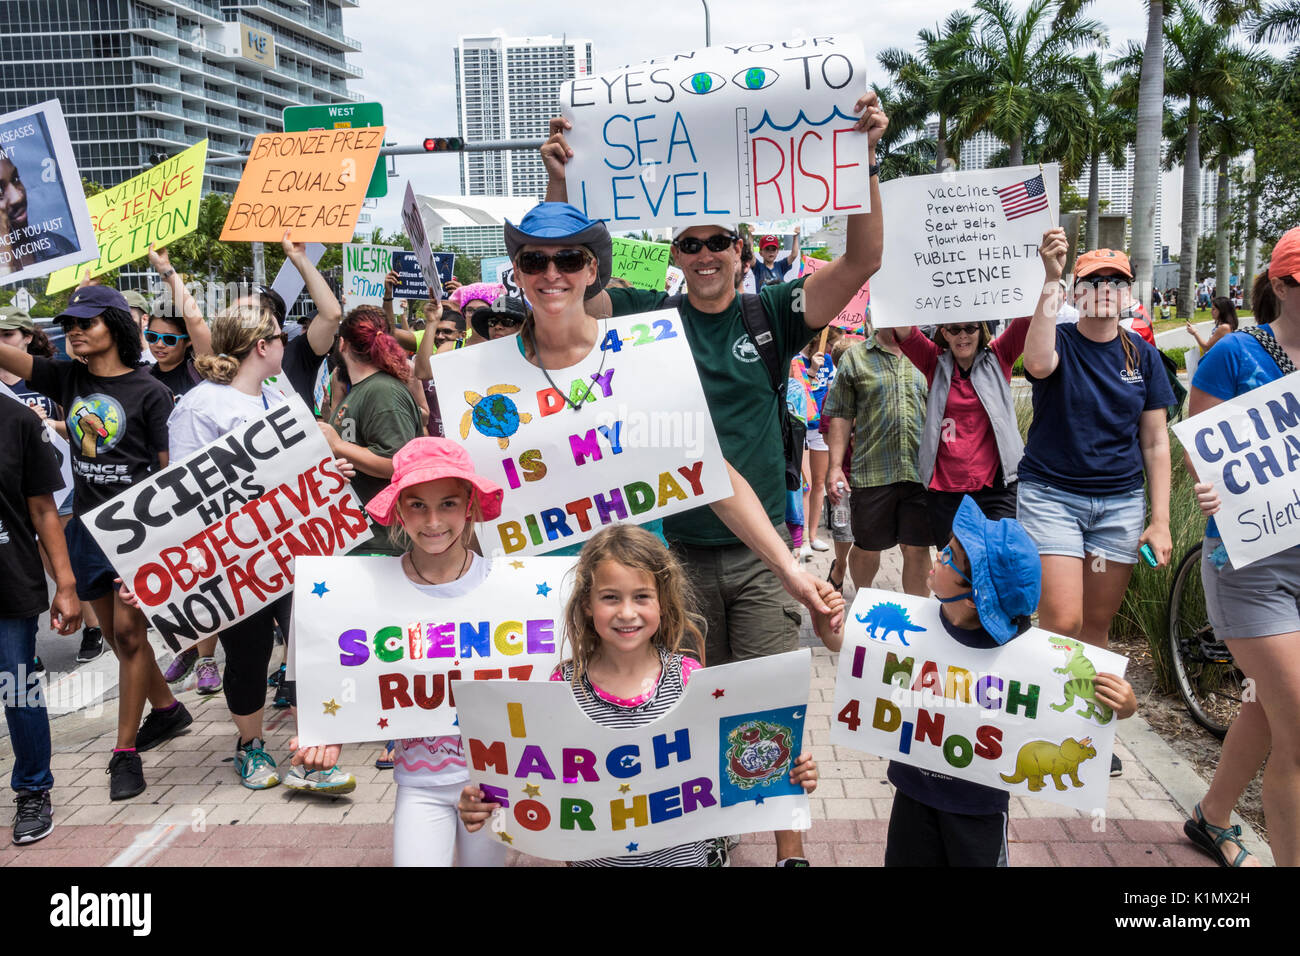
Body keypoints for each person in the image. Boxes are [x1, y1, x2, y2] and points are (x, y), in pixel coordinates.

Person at [540, 97, 882, 865]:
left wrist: (864, 158)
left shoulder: (775, 315)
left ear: (742, 248)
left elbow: (861, 263)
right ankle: (710, 837)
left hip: (762, 557)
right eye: (689, 243)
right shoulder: (645, 319)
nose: (703, 255)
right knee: (691, 709)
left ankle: (790, 850)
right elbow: (566, 289)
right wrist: (560, 183)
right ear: (676, 252)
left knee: (768, 703)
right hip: (673, 560)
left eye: (717, 242)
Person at [456, 523, 824, 866]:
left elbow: (735, 764)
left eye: (642, 596)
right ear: (587, 603)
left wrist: (789, 772)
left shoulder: (690, 680)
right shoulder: (561, 687)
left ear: (662, 602)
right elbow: (532, 775)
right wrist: (487, 803)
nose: (626, 612)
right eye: (611, 597)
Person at [817, 496, 1135, 865]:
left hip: (979, 811)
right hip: (912, 795)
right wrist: (827, 623)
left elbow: (1084, 706)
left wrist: (1124, 706)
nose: (940, 556)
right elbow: (843, 644)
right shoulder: (917, 621)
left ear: (974, 597)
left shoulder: (1028, 657)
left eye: (950, 556)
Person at [142, 302, 357, 793]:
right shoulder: (200, 407)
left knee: (311, 647)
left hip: (297, 551)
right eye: (280, 337)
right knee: (249, 652)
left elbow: (304, 465)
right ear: (263, 346)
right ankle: (251, 745)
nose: (287, 344)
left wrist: (329, 474)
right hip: (239, 561)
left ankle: (312, 749)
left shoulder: (280, 397)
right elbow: (184, 492)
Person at [0, 285, 189, 800]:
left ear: (115, 326)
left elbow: (168, 477)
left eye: (88, 322)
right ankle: (168, 710)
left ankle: (124, 754)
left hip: (137, 535)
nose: (76, 330)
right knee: (115, 638)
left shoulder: (152, 393)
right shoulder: (68, 376)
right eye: (71, 323)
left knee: (129, 637)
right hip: (85, 532)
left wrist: (159, 551)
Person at [303, 437, 509, 864]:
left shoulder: (510, 586)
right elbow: (352, 669)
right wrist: (330, 730)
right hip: (420, 781)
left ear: (470, 504)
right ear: (398, 509)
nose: (433, 521)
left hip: (497, 783)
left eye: (448, 503)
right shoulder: (367, 589)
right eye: (417, 505)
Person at [1020, 234, 1174, 777]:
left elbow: (1155, 443)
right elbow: (1035, 364)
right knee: (1062, 617)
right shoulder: (1059, 338)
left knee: (1097, 626)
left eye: (1116, 282)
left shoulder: (1146, 357)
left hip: (1119, 506)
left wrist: (1160, 521)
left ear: (1129, 295)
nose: (1105, 290)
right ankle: (1042, 720)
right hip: (1051, 497)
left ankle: (1086, 729)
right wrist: (1050, 277)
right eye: (1093, 283)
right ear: (1077, 294)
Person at [1183, 230, 1300, 867]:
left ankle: (1211, 816)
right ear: (1281, 286)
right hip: (1251, 560)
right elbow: (1203, 455)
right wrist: (1207, 490)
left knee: (1272, 702)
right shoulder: (1234, 355)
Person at [1, 386, 81, 843]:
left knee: (17, 685)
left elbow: (43, 509)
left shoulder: (18, 421)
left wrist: (66, 585)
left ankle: (33, 789)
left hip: (8, 581)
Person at [876, 315, 1029, 547]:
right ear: (944, 334)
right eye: (955, 329)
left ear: (981, 331)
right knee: (955, 570)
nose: (963, 335)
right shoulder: (933, 361)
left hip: (997, 488)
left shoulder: (1000, 357)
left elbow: (1026, 320)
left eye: (970, 328)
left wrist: (1046, 281)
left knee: (999, 561)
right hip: (947, 491)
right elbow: (904, 328)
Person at [823, 330, 932, 596]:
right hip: (872, 471)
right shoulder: (855, 358)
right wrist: (835, 466)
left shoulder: (929, 354)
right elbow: (840, 413)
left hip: (920, 472)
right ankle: (865, 604)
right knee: (866, 546)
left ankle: (917, 618)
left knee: (918, 547)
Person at [318, 306, 423, 556]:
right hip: (361, 535)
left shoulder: (382, 391)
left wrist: (338, 445)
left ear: (342, 344)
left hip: (383, 543)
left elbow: (397, 463)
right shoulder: (365, 389)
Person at [793, 331, 839, 556]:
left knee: (819, 482)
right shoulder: (795, 359)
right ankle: (799, 539)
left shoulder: (828, 361)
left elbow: (832, 391)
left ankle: (812, 536)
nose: (831, 348)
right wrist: (811, 370)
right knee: (806, 484)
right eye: (829, 343)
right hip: (800, 427)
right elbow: (796, 393)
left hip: (820, 428)